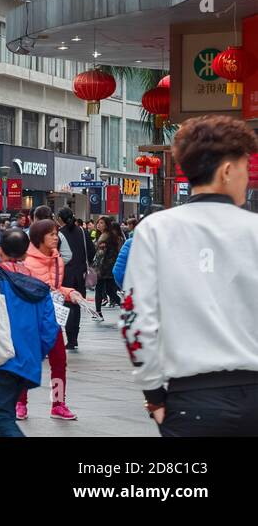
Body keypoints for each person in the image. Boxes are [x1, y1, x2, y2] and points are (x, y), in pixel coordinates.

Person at [123, 115, 258, 436]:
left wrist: (153, 396)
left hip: (191, 399)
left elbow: (136, 321)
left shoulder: (156, 230)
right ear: (226, 171)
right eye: (244, 167)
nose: (248, 177)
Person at [0, 228, 60, 437]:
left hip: (1, 356)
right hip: (27, 359)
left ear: (0, 251)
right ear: (26, 253)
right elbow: (49, 328)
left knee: (2, 418)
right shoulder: (39, 286)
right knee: (5, 417)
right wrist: (35, 353)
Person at [16, 219, 81, 421]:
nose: (56, 237)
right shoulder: (25, 261)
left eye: (56, 233)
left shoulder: (57, 260)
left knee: (60, 362)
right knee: (26, 362)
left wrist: (71, 293)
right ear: (39, 237)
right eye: (52, 234)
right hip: (30, 319)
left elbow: (56, 288)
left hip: (51, 320)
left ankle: (58, 404)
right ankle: (20, 403)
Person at [57, 207, 90, 349]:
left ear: (60, 219)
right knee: (76, 306)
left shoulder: (58, 234)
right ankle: (74, 337)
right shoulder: (83, 232)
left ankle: (71, 339)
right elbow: (91, 251)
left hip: (66, 275)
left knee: (68, 306)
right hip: (81, 274)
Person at [91, 215, 124, 321]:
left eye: (101, 223)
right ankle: (99, 312)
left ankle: (99, 313)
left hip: (105, 267)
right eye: (98, 223)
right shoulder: (106, 235)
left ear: (106, 225)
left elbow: (101, 254)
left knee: (105, 290)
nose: (99, 225)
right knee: (107, 291)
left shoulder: (106, 236)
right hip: (106, 267)